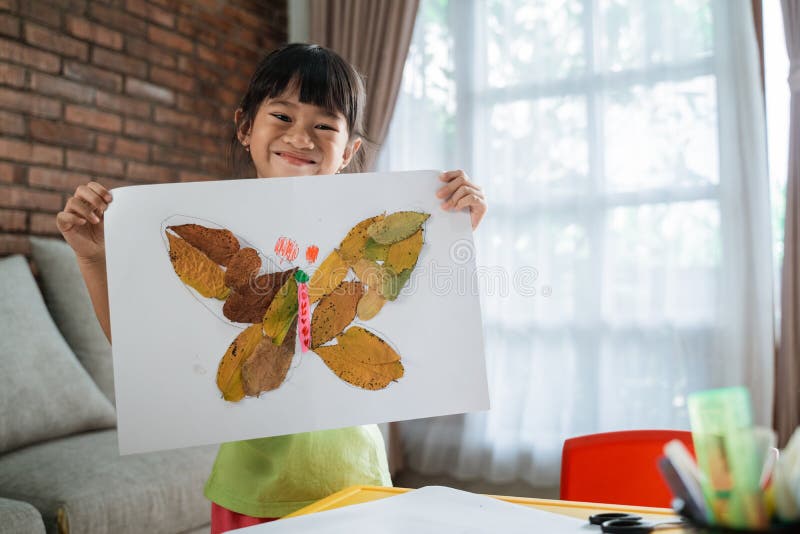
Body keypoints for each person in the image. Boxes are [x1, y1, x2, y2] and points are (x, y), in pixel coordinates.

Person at [56, 43, 487, 533]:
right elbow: (145, 358)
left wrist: (453, 235)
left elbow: (419, 321)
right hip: (250, 489)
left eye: (324, 125)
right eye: (281, 115)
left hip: (357, 480)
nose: (300, 136)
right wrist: (92, 258)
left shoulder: (363, 239)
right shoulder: (219, 229)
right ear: (245, 128)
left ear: (349, 151)